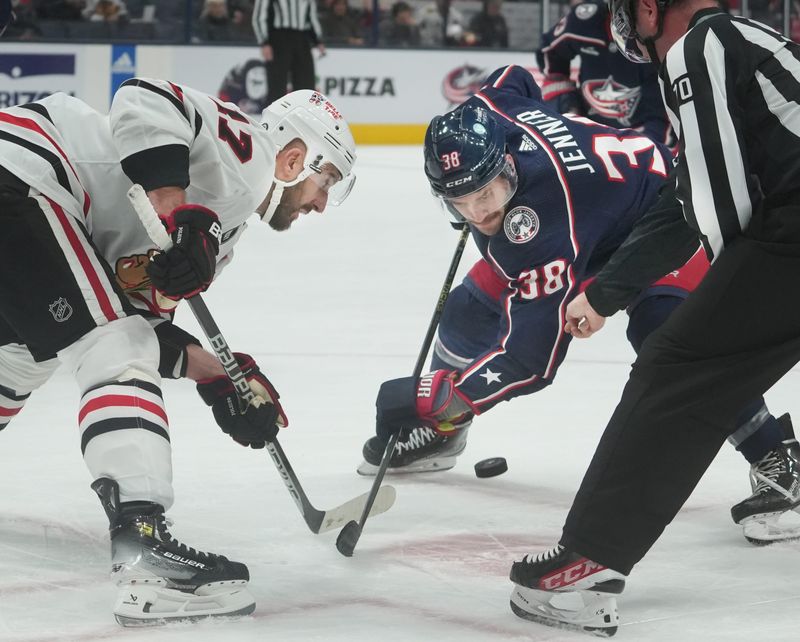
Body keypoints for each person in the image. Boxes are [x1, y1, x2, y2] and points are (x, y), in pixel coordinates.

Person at [361, 62, 789, 546]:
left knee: (666, 337)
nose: (479, 212)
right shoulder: (488, 110)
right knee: (468, 310)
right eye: (460, 201)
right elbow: (513, 76)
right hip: (587, 221)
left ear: (506, 166)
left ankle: (778, 457)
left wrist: (442, 395)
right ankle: (444, 431)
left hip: (662, 220)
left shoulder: (533, 228)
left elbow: (531, 360)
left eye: (487, 194)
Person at [0, 82, 355, 626]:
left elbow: (133, 310)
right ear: (294, 157)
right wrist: (174, 208)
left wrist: (217, 376)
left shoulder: (225, 233)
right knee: (115, 347)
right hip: (23, 175)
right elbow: (142, 98)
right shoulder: (248, 156)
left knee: (27, 356)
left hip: (24, 199)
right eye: (325, 180)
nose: (322, 202)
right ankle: (145, 554)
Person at [506, 0, 800, 635]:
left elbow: (720, 204)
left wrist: (714, 329)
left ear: (649, 7)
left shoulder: (700, 47)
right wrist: (608, 292)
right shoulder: (746, 37)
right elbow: (686, 196)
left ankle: (588, 561)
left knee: (676, 369)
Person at [536, 0, 671, 145]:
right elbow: (549, 52)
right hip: (589, 129)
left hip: (641, 135)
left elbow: (660, 121)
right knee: (554, 90)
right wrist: (570, 109)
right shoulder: (585, 19)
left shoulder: (662, 34)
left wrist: (635, 148)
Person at [252, 0, 324, 105]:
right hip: (279, 38)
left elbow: (311, 16)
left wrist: (318, 40)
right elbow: (259, 17)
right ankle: (274, 118)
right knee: (277, 85)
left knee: (306, 85)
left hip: (302, 38)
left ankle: (305, 116)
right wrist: (264, 42)